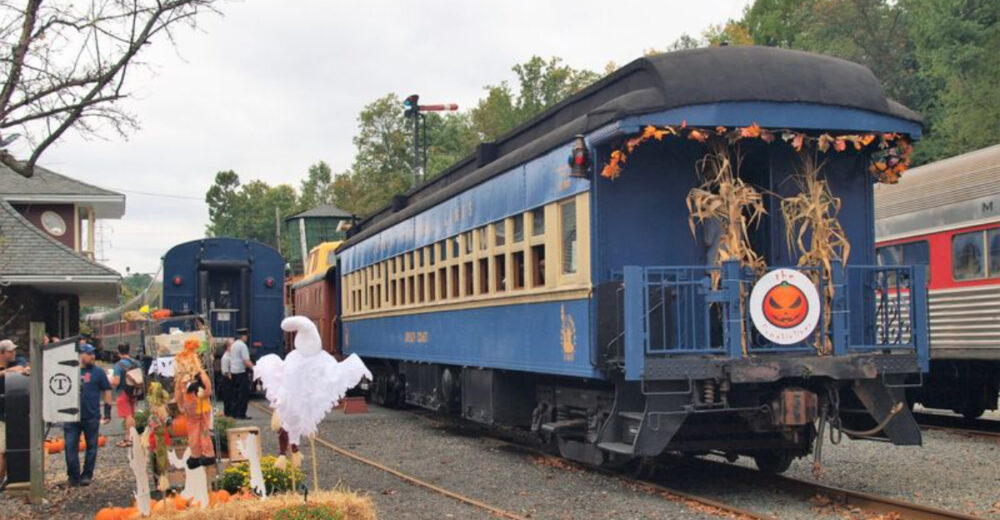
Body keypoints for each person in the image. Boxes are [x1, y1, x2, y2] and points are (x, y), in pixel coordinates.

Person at [64, 344, 111, 486]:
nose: (92, 356)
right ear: (81, 355)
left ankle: (87, 475)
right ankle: (73, 476)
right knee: (70, 447)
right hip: (71, 416)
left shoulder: (98, 372)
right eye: (89, 354)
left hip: (91, 415)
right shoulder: (69, 370)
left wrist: (107, 412)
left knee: (91, 446)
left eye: (93, 353)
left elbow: (107, 391)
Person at [173, 339, 215, 468]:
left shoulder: (181, 378)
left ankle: (196, 455)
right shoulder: (201, 374)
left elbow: (178, 394)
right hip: (203, 407)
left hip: (190, 409)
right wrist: (203, 394)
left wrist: (180, 406)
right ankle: (208, 454)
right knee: (204, 430)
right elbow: (209, 389)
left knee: (193, 432)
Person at [0, 339, 30, 489]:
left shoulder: (17, 361)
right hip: (1, 413)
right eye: (10, 351)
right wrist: (9, 372)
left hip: (12, 412)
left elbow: (23, 365)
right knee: (2, 450)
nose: (14, 353)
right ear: (2, 353)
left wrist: (19, 369)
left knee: (8, 448)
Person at [110, 343, 140, 447]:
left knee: (127, 416)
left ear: (118, 352)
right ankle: (132, 437)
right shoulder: (136, 363)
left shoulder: (118, 365)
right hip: (134, 392)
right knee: (131, 415)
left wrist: (110, 381)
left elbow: (116, 382)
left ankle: (129, 439)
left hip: (122, 392)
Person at [228, 329, 254, 420]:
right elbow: (246, 361)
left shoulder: (233, 345)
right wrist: (255, 368)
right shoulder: (243, 346)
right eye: (246, 336)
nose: (247, 337)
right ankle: (241, 414)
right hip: (241, 372)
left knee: (235, 394)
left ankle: (234, 413)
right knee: (243, 394)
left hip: (233, 372)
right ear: (243, 336)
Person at [219, 339, 232, 417]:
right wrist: (232, 379)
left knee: (230, 397)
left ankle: (230, 413)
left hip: (229, 378)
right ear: (228, 347)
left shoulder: (230, 355)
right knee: (227, 397)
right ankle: (227, 413)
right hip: (227, 379)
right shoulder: (225, 357)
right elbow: (226, 371)